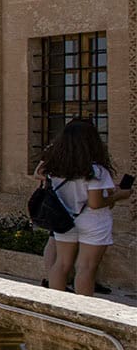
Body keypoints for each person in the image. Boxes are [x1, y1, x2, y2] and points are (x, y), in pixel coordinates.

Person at [38, 119, 130, 296]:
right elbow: (95, 203)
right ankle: (83, 310)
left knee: (61, 264)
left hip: (64, 219)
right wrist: (119, 195)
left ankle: (56, 306)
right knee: (86, 267)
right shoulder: (95, 171)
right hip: (92, 222)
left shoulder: (55, 167)